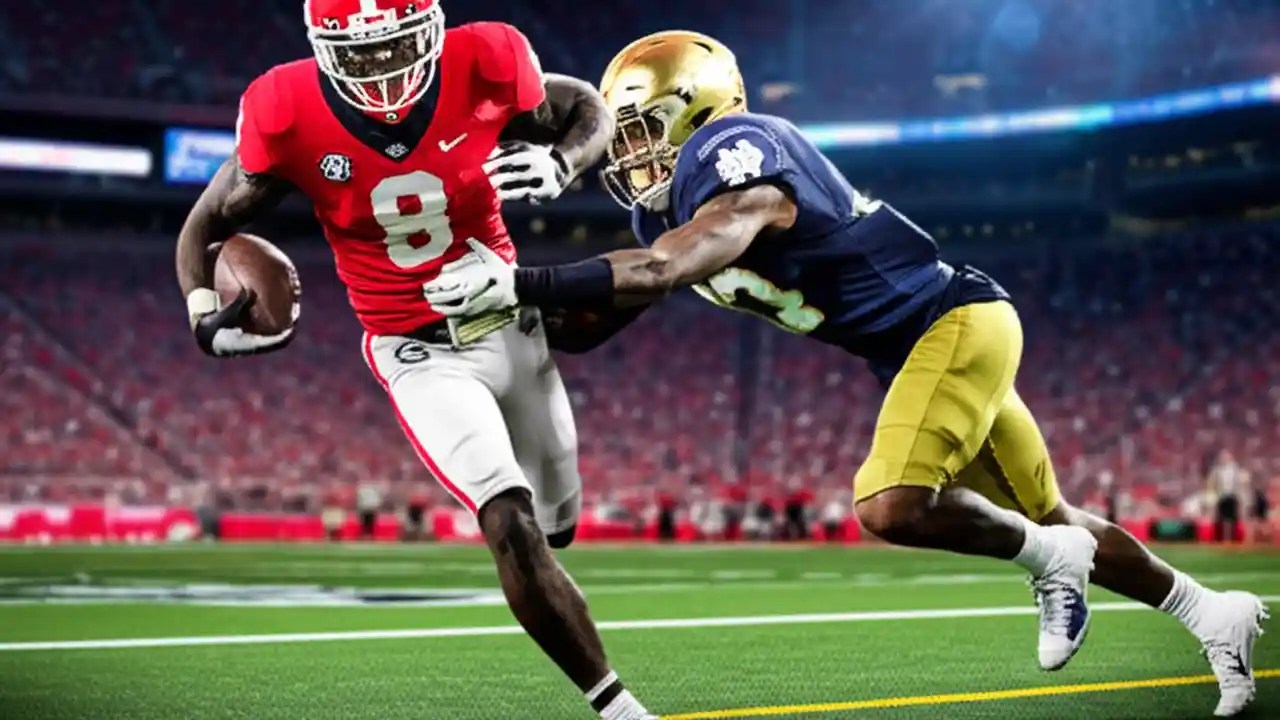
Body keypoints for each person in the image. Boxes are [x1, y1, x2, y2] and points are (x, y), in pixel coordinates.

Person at [424, 30, 1269, 717]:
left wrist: (525, 280)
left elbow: (666, 267)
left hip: (956, 324)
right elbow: (601, 318)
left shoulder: (739, 149)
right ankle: (1209, 612)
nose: (630, 156)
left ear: (697, 113)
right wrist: (512, 318)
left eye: (642, 130)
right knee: (1048, 508)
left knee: (891, 503)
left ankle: (1051, 560)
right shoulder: (669, 207)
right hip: (920, 348)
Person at [173, 2, 652, 717]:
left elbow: (586, 104)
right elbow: (206, 222)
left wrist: (565, 160)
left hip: (510, 322)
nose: (384, 72)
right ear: (323, 49)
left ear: (431, 30)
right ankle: (617, 706)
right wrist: (202, 314)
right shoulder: (285, 108)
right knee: (510, 524)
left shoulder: (486, 59)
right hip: (414, 348)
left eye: (397, 47)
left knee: (558, 526)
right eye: (361, 55)